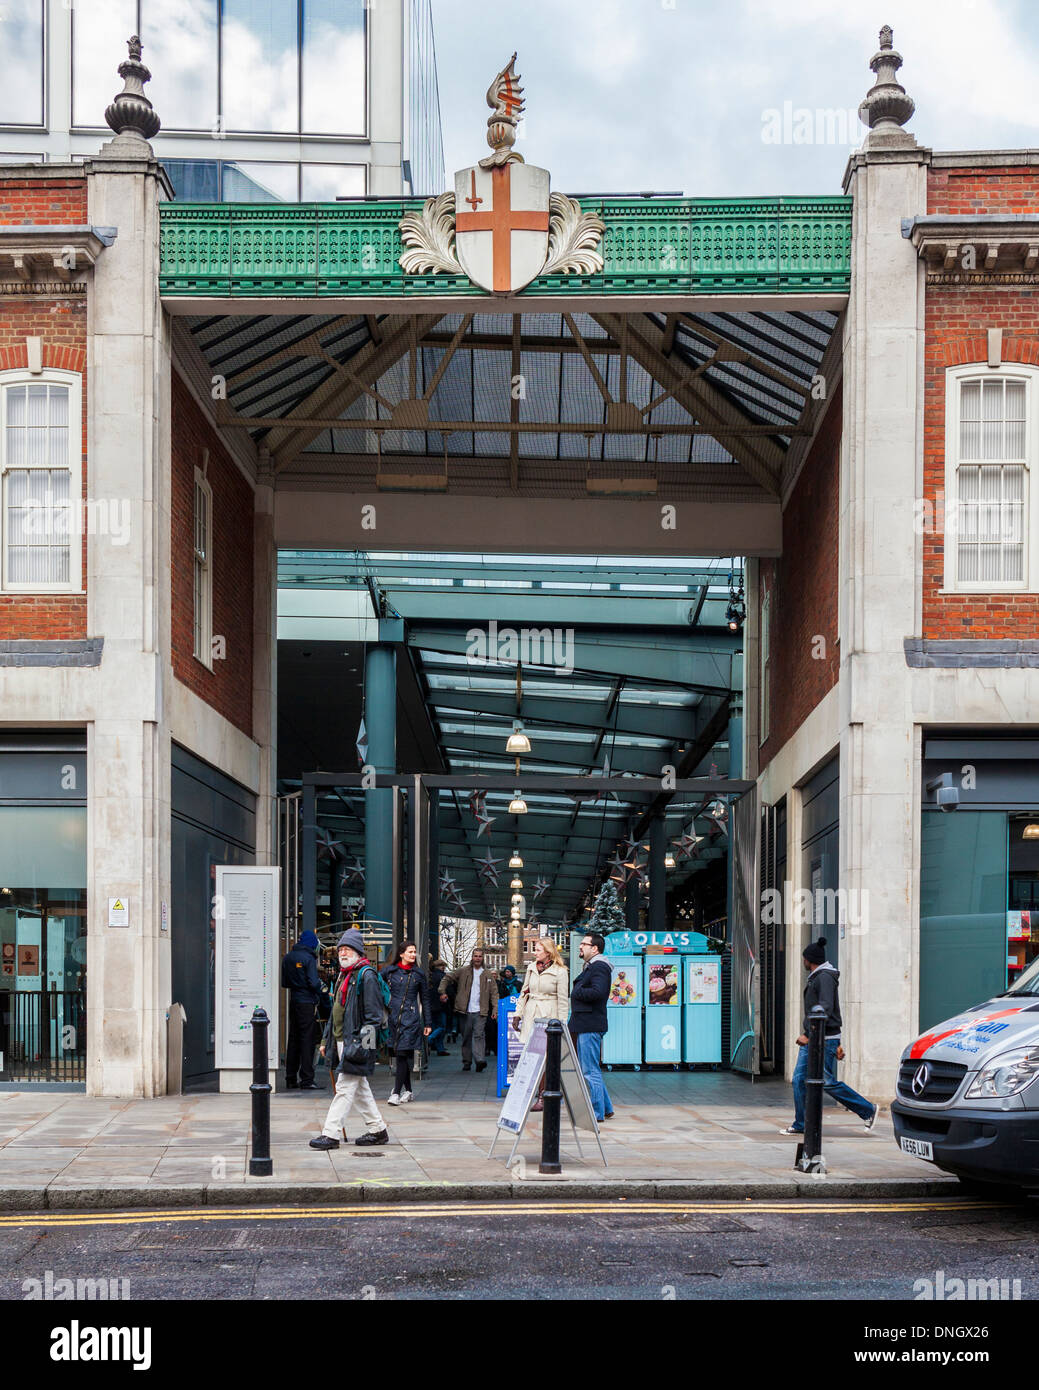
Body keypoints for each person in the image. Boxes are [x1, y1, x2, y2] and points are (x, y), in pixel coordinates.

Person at [779, 936, 878, 1136]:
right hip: (819, 1038)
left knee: (826, 1081)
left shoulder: (824, 977)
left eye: (804, 959)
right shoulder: (819, 976)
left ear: (810, 960)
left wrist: (809, 1034)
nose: (803, 962)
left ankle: (868, 1109)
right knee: (799, 1079)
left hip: (820, 1038)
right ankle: (801, 1124)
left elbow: (825, 1007)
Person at [310, 929, 389, 1148]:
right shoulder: (345, 975)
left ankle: (331, 1134)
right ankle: (378, 1130)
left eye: (348, 949)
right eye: (341, 949)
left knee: (345, 1088)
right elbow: (336, 1012)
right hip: (342, 1041)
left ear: (357, 951)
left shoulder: (367, 975)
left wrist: (364, 1049)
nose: (343, 953)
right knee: (360, 1088)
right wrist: (326, 1041)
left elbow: (373, 1017)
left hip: (356, 1043)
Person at [514, 938, 569, 1112]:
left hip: (549, 1015)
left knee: (546, 1059)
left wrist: (561, 1024)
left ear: (548, 952)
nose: (535, 952)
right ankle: (528, 1094)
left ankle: (543, 1096)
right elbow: (524, 993)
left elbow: (562, 1001)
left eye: (538, 950)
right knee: (530, 1056)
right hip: (531, 1015)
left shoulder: (560, 971)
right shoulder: (531, 968)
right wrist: (518, 1014)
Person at [568, 931, 614, 1123]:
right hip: (586, 1023)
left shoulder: (599, 966)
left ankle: (596, 1112)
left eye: (584, 944)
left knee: (589, 1071)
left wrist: (577, 991)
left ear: (594, 948)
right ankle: (607, 1108)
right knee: (590, 1068)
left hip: (590, 1024)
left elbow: (598, 992)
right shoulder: (592, 966)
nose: (580, 946)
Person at [382, 940, 432, 1104]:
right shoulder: (389, 972)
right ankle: (408, 1091)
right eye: (410, 952)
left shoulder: (418, 974)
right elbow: (376, 986)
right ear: (401, 954)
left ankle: (396, 1093)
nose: (413, 955)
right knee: (399, 1054)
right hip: (393, 1018)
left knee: (403, 1054)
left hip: (411, 1019)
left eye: (414, 952)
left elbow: (425, 999)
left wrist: (428, 1023)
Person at [439, 948, 498, 1072]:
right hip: (464, 1010)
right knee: (466, 1036)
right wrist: (442, 991)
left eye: (480, 956)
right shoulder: (463, 971)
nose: (477, 958)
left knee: (479, 1035)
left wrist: (495, 1010)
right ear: (472, 957)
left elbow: (494, 993)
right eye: (475, 956)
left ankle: (480, 1060)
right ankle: (467, 1061)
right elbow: (447, 978)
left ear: (483, 958)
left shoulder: (487, 974)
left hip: (481, 1011)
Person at [280, 929, 322, 1090]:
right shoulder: (309, 958)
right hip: (307, 1001)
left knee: (294, 1038)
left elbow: (285, 982)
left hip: (294, 1000)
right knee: (307, 1040)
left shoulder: (288, 957)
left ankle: (290, 1077)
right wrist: (321, 989)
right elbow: (313, 982)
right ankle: (307, 1079)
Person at [427, 958, 451, 1056]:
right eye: (443, 966)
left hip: (430, 1005)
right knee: (441, 1027)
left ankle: (439, 1048)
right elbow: (449, 991)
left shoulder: (430, 976)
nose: (444, 968)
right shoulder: (443, 977)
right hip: (441, 1006)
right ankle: (431, 1040)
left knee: (433, 1026)